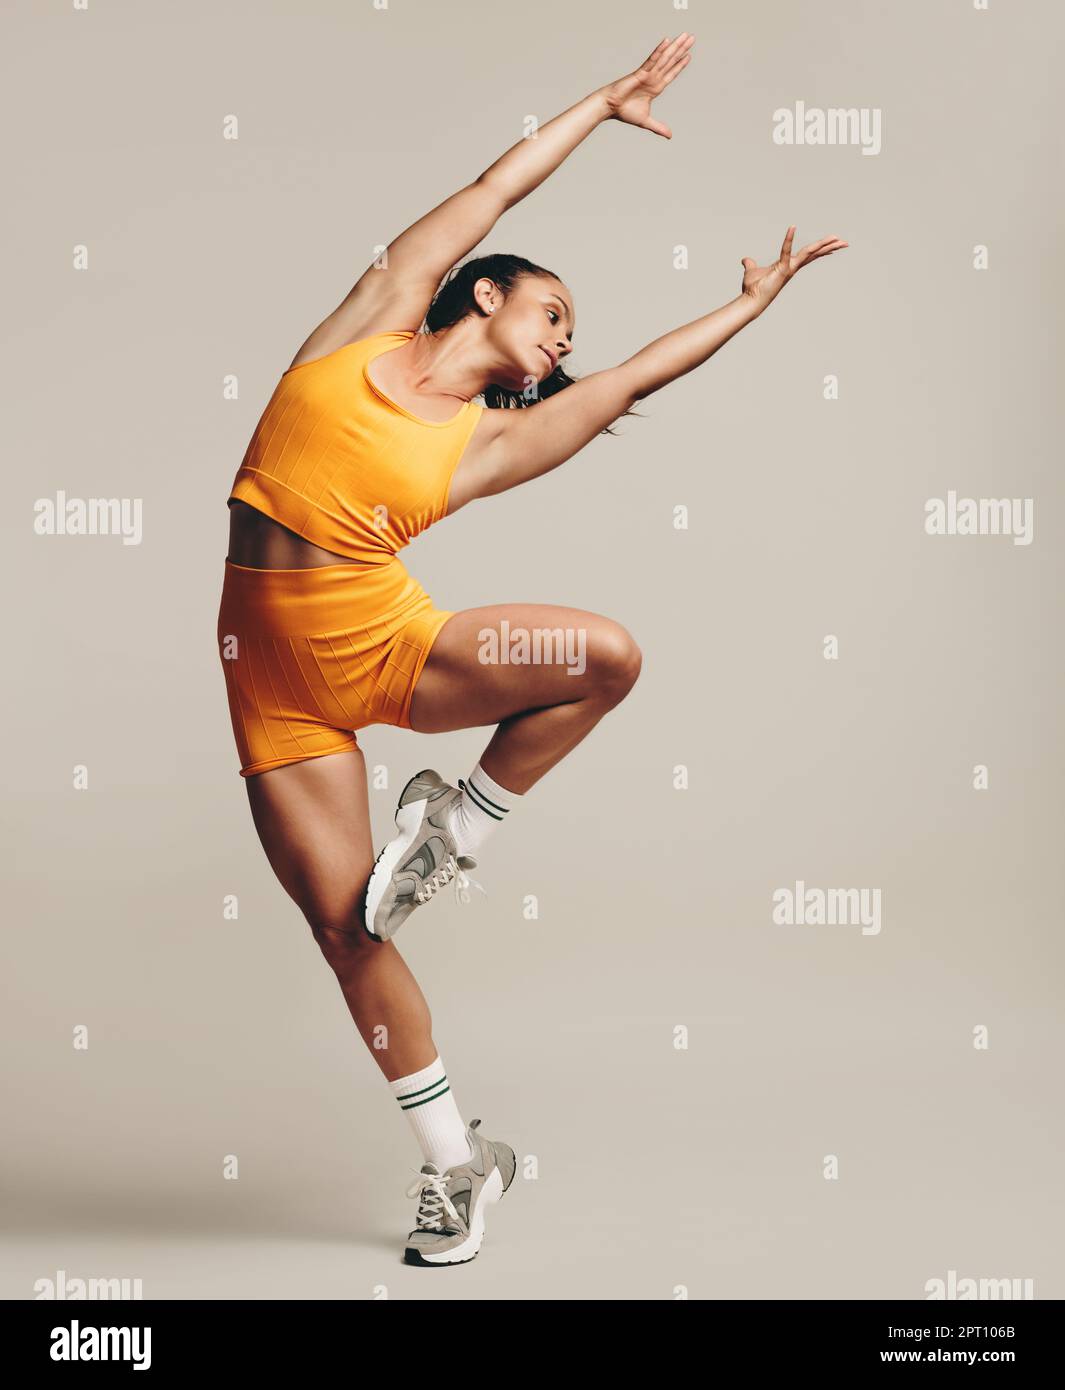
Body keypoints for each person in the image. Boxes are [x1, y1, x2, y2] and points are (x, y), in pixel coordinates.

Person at [216, 31, 846, 1267]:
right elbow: (494, 190)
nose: (564, 338)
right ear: (482, 292)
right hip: (268, 682)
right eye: (552, 310)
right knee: (346, 928)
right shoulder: (372, 315)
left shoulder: (488, 444)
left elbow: (627, 385)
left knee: (606, 653)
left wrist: (746, 305)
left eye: (572, 330)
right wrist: (602, 107)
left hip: (381, 644)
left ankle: (460, 827)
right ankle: (462, 1164)